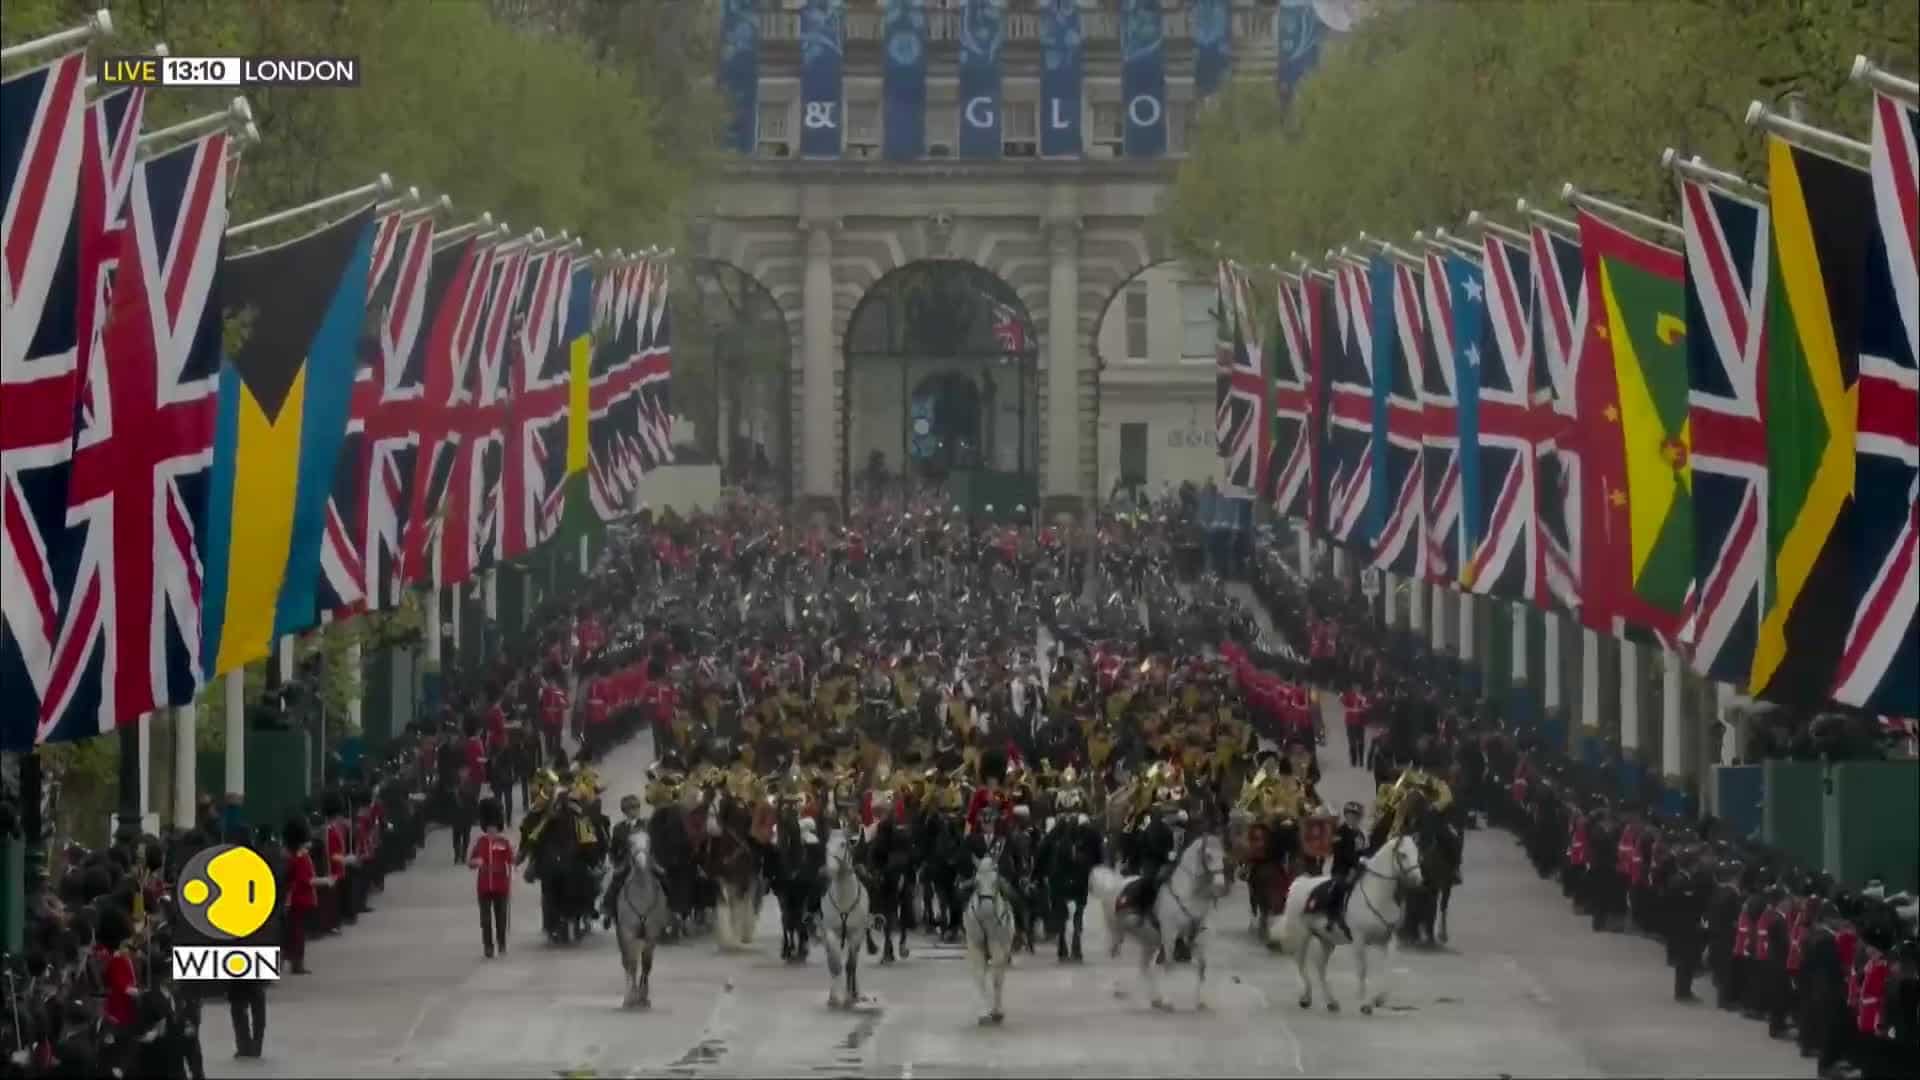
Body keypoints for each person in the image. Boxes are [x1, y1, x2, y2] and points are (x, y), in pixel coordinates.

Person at [468, 797, 514, 958]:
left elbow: (511, 860)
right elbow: (471, 862)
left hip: (500, 886)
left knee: (501, 919)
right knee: (485, 920)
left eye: (494, 827)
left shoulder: (504, 842)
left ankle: (501, 943)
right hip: (484, 887)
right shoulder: (480, 843)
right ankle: (488, 946)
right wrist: (476, 862)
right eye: (489, 827)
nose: (491, 830)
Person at [601, 794, 647, 927]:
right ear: (625, 812)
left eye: (636, 808)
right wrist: (615, 862)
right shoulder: (619, 828)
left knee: (660, 880)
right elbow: (613, 848)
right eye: (631, 809)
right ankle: (608, 910)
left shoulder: (646, 825)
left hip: (644, 861)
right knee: (616, 883)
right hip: (626, 862)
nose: (634, 812)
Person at [283, 817, 317, 975]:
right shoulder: (301, 857)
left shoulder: (291, 856)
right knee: (297, 934)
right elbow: (305, 880)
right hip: (300, 900)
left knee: (292, 933)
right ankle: (297, 963)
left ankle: (292, 961)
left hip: (293, 900)